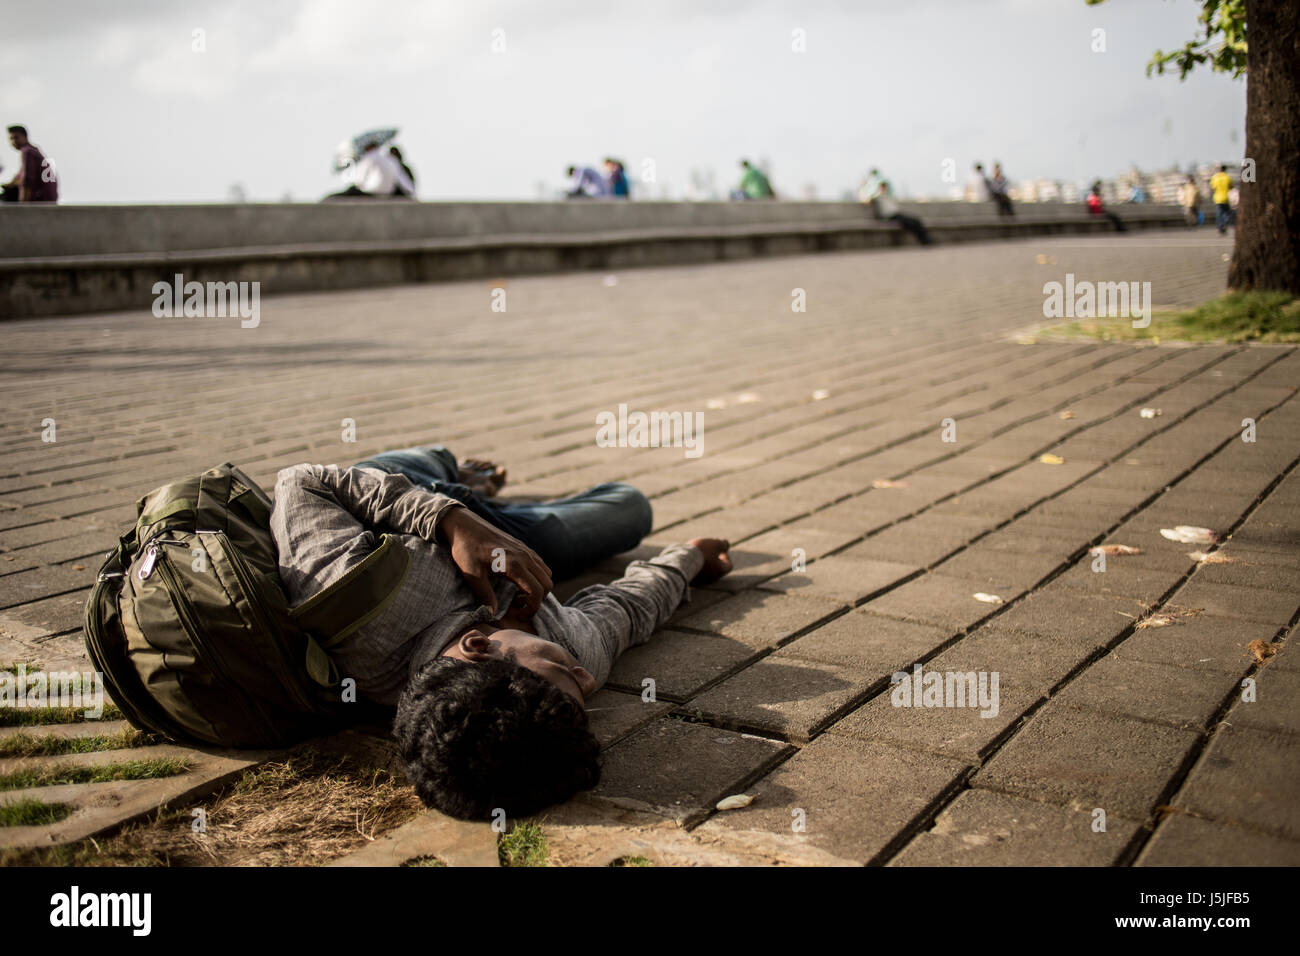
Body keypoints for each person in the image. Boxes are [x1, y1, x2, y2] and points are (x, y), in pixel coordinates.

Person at [269, 443, 732, 820]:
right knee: (630, 508)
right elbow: (628, 608)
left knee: (427, 459)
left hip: (394, 503)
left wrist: (450, 519)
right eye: (579, 687)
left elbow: (302, 481)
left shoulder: (355, 603)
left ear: (478, 646)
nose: (586, 678)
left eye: (558, 666)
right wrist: (689, 559)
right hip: (519, 547)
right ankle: (482, 494)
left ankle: (456, 472)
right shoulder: (578, 660)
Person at [327, 140, 415, 199]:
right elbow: (406, 185)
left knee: (343, 194)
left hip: (372, 192)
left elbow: (360, 181)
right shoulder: (390, 160)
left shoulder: (369, 159)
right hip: (388, 192)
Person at [2, 125, 58, 203]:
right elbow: (19, 178)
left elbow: (27, 180)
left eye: (16, 138)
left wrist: (23, 205)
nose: (14, 141)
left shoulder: (27, 152)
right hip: (47, 199)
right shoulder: (34, 151)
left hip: (40, 200)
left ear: (25, 137)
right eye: (11, 139)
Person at [867, 179, 933, 246]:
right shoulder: (878, 197)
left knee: (916, 221)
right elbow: (868, 199)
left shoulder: (889, 196)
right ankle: (925, 241)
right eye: (883, 187)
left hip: (897, 214)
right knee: (910, 222)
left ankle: (926, 240)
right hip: (890, 216)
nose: (884, 188)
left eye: (885, 187)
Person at [1210, 164, 1233, 234]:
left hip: (1217, 198)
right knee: (1227, 213)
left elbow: (1212, 188)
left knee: (1219, 213)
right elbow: (1231, 187)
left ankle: (1220, 226)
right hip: (1226, 198)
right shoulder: (1228, 177)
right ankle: (1225, 223)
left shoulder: (1215, 177)